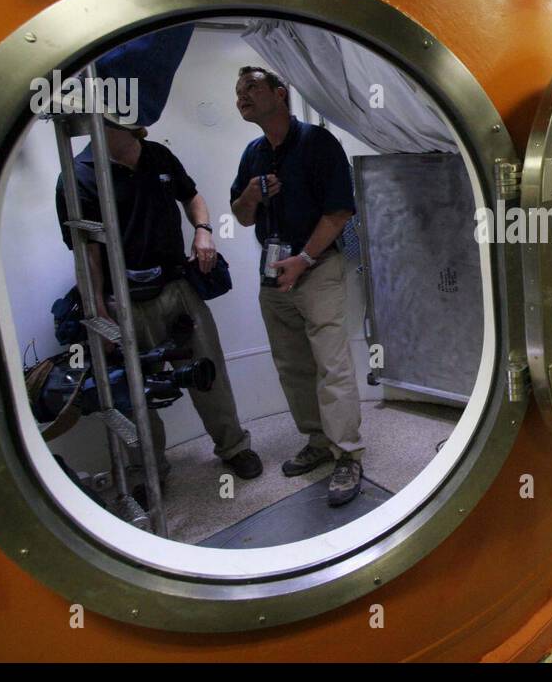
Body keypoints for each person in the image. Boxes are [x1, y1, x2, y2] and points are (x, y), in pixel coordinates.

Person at [55, 111, 264, 496]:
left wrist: (203, 231)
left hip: (176, 287)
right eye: (125, 118)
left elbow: (192, 195)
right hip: (123, 301)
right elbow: (87, 255)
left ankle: (233, 446)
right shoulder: (79, 175)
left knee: (208, 371)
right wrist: (98, 311)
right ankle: (148, 472)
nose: (138, 124)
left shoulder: (157, 156)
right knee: (135, 393)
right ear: (102, 123)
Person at [229, 66, 365, 507]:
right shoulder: (252, 153)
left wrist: (303, 260)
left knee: (332, 364)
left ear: (280, 94)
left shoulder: (318, 143)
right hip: (273, 276)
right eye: (237, 92)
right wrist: (251, 193)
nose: (241, 96)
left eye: (250, 87)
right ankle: (317, 440)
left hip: (316, 268)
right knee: (292, 365)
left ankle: (347, 454)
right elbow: (243, 215)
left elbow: (340, 211)